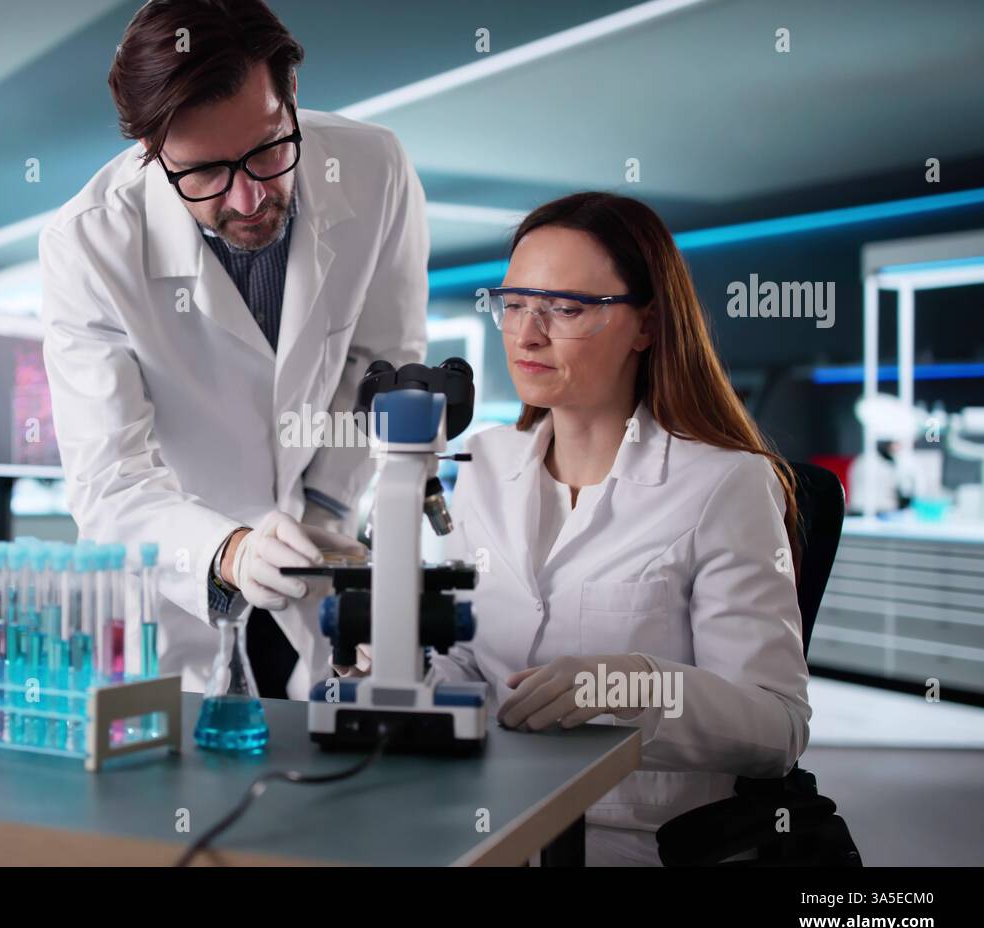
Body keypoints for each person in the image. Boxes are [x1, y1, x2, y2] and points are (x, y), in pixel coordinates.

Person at [40, 0, 428, 698]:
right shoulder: (88, 244)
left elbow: (379, 364)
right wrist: (229, 550)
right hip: (173, 602)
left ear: (292, 99)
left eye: (268, 151)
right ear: (152, 152)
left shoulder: (374, 168)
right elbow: (111, 482)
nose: (248, 198)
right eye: (206, 173)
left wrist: (323, 510)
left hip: (315, 564)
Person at [431, 192, 811, 865]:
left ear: (646, 325)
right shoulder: (487, 465)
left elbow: (777, 728)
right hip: (480, 826)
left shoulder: (725, 484)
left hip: (632, 847)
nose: (526, 334)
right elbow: (466, 659)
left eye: (566, 308)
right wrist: (392, 661)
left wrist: (633, 687)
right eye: (513, 304)